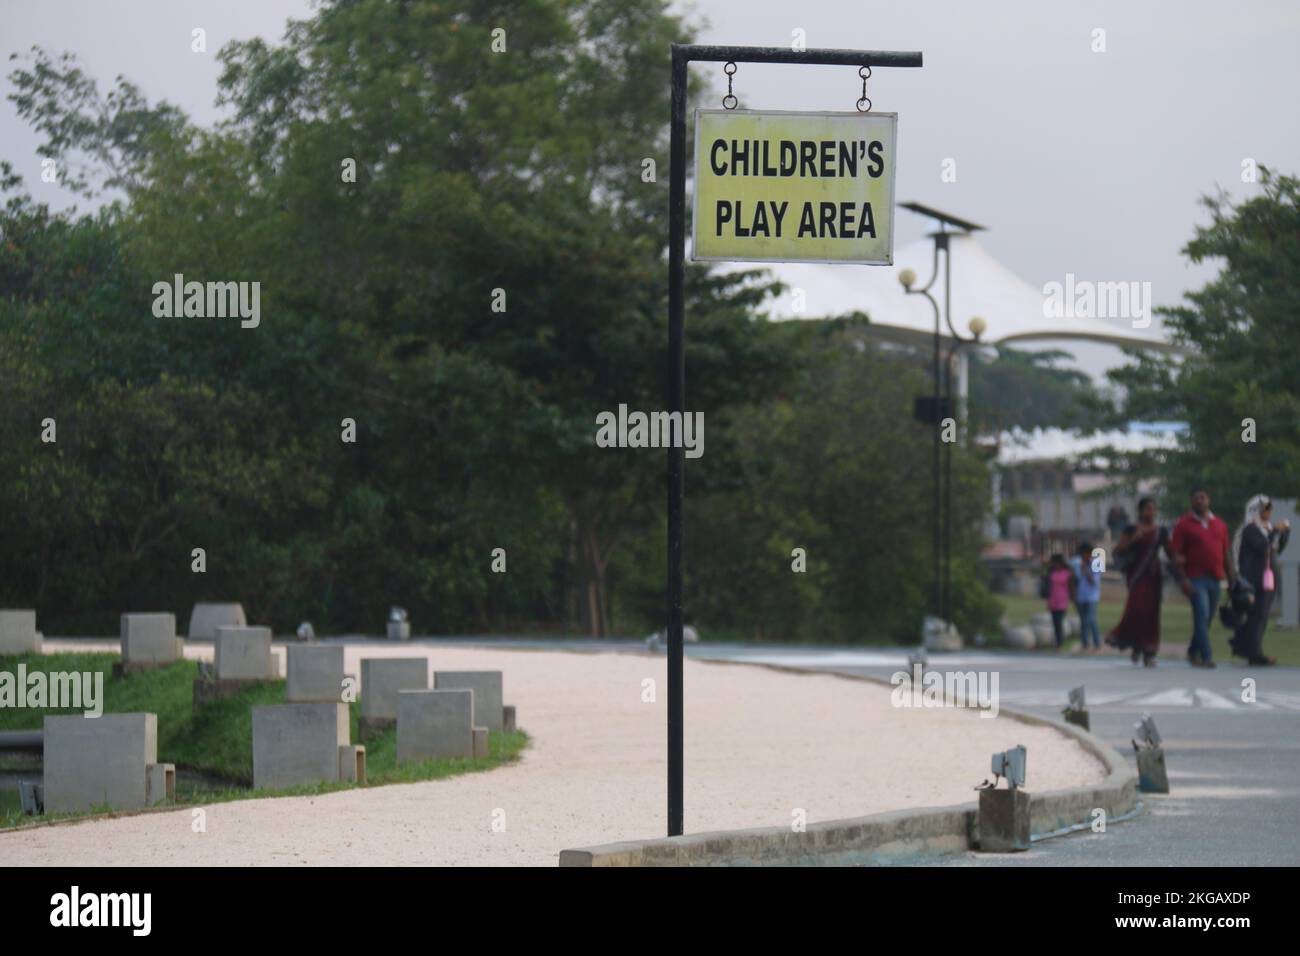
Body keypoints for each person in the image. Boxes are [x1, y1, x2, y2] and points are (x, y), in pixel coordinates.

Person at [1106, 498, 1182, 666]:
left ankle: (1148, 652)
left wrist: (1179, 561)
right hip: (1136, 576)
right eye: (1147, 509)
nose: (1151, 513)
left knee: (1152, 613)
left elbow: (1170, 552)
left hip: (1154, 576)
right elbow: (1118, 550)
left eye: (1153, 510)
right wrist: (1134, 539)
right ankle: (1133, 643)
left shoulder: (1160, 531)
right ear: (1140, 512)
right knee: (1137, 610)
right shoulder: (1131, 529)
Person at [1171, 488, 1236, 668]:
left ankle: (1192, 651)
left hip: (1215, 577)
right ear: (1191, 502)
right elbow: (1176, 555)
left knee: (1207, 618)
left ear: (1209, 500)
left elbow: (1226, 553)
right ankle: (1206, 656)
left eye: (1203, 498)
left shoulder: (1219, 524)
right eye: (1196, 498)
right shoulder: (1184, 524)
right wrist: (1183, 580)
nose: (1200, 501)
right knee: (1201, 615)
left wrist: (1231, 579)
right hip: (1194, 577)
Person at [1230, 494, 1291, 665]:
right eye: (1266, 509)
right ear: (1256, 510)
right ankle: (1254, 654)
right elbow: (1262, 547)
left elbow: (1276, 549)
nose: (1269, 512)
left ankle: (1253, 651)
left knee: (1262, 616)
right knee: (1256, 616)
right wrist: (1277, 531)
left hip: (1267, 578)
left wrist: (1285, 533)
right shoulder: (1250, 528)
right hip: (1253, 579)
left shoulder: (1267, 529)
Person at [1069, 541, 1102, 653]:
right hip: (1081, 596)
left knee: (1091, 620)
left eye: (1083, 554)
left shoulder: (1097, 563)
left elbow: (1094, 582)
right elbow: (1076, 580)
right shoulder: (1078, 564)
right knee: (1083, 621)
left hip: (1092, 597)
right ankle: (1085, 644)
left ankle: (1097, 644)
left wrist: (1086, 570)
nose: (1082, 557)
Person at [1044, 554, 1073, 651]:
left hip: (1062, 600)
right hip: (1053, 599)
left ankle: (1059, 643)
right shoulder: (1052, 572)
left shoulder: (1067, 573)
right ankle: (1057, 641)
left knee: (1059, 622)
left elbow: (1071, 586)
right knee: (1054, 623)